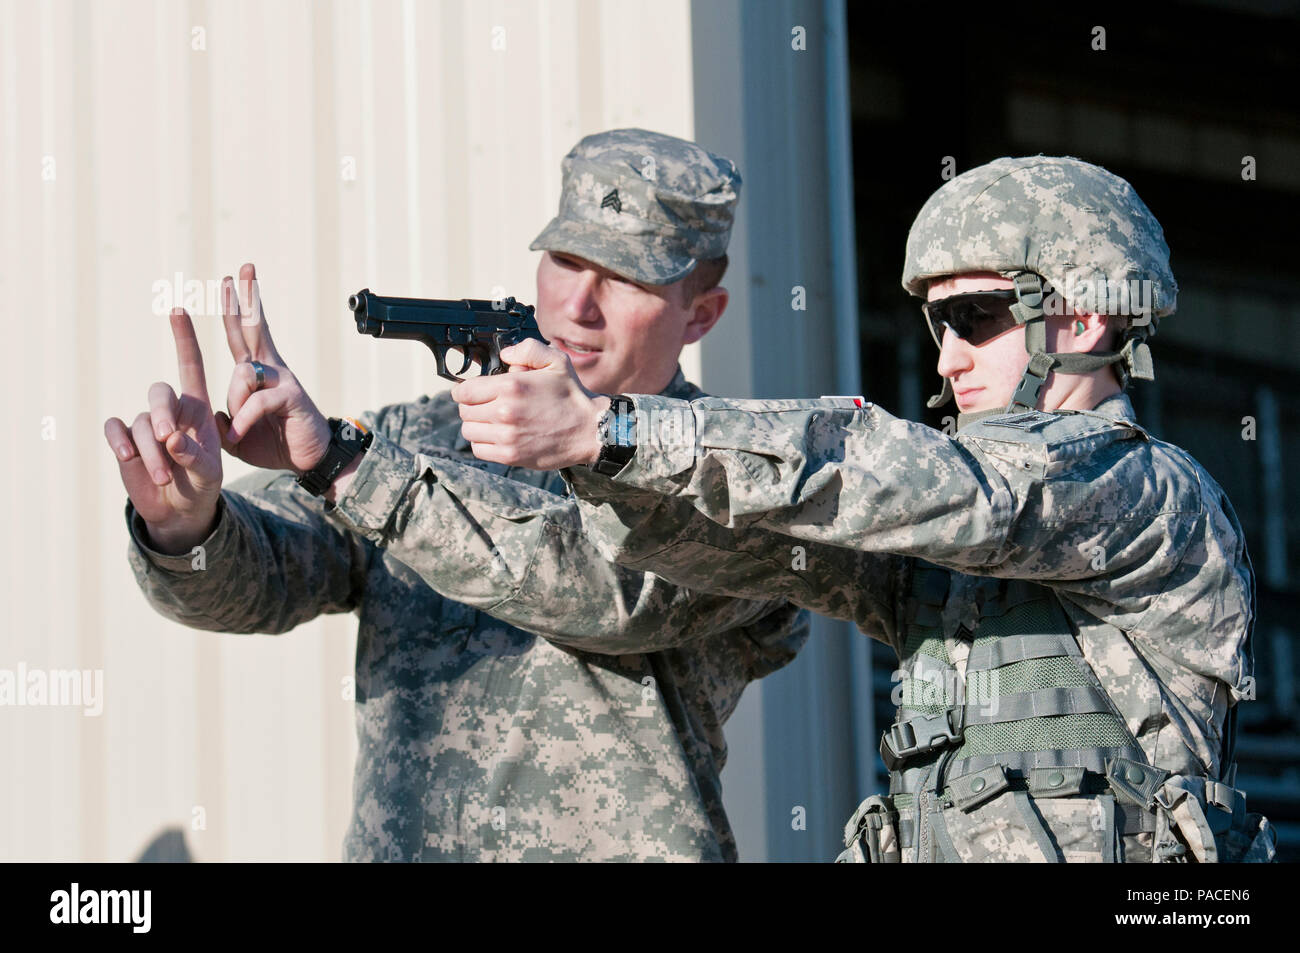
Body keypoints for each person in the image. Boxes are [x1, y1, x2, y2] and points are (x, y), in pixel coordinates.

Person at [450, 155, 1277, 862]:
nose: (948, 359)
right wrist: (598, 460)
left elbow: (915, 479)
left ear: (1082, 319)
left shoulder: (1144, 493)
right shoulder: (942, 531)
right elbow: (749, 540)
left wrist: (619, 427)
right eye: (937, 325)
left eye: (974, 319)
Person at [103, 128, 810, 862]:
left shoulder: (738, 477)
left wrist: (351, 471)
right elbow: (264, 576)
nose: (579, 305)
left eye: (626, 277)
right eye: (567, 261)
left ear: (702, 314)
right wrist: (189, 527)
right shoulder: (416, 440)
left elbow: (603, 591)